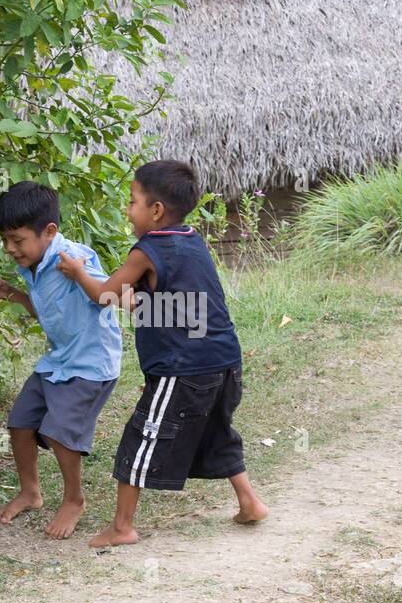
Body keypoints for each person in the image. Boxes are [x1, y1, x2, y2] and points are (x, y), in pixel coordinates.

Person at [57, 160, 268, 547]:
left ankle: (122, 527)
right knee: (216, 433)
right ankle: (250, 502)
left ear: (155, 211)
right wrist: (128, 295)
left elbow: (103, 295)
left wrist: (78, 273)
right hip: (224, 361)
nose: (127, 208)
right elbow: (165, 307)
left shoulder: (148, 250)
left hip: (183, 368)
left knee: (142, 437)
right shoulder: (191, 239)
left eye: (132, 201)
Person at [0, 181, 122, 539]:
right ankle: (31, 492)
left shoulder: (73, 258)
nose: (10, 249)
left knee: (58, 433)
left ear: (49, 231)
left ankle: (74, 499)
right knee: (21, 423)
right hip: (58, 360)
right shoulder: (33, 263)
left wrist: (80, 274)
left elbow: (111, 296)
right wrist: (14, 295)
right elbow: (48, 311)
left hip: (89, 364)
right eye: (4, 240)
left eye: (17, 239)